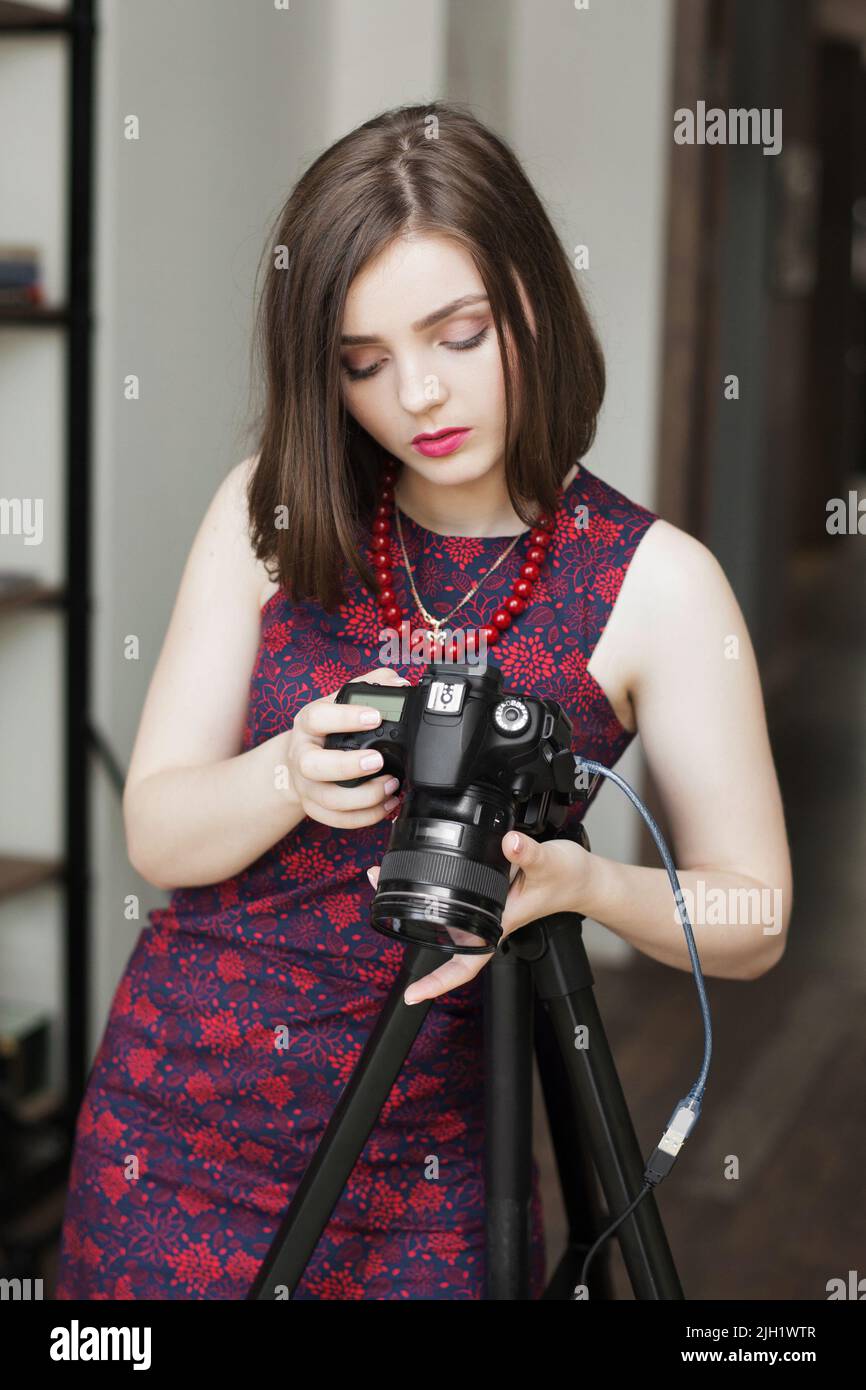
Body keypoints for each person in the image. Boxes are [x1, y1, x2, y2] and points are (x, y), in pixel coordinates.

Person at [54, 101, 792, 1301]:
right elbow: (158, 830)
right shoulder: (268, 510)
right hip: (172, 1127)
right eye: (361, 362)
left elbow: (752, 914)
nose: (415, 397)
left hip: (432, 1162)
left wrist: (582, 886)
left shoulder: (658, 585)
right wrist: (286, 772)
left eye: (457, 335)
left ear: (533, 299)